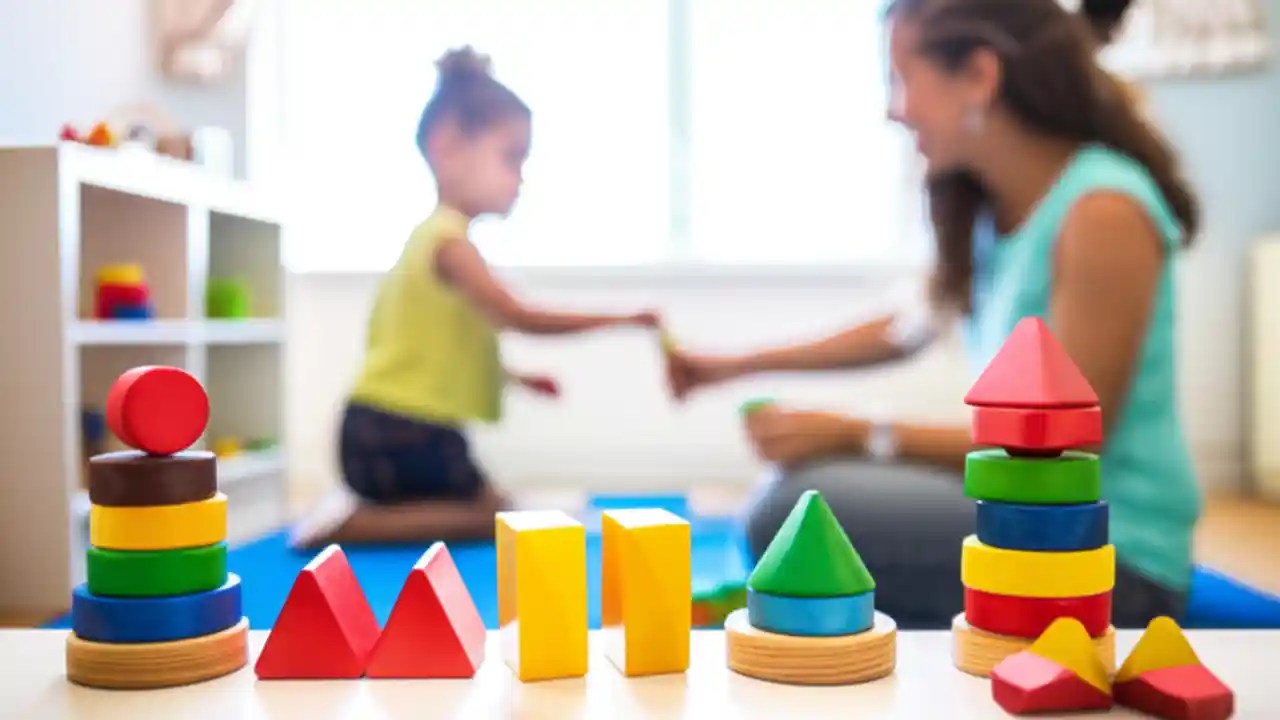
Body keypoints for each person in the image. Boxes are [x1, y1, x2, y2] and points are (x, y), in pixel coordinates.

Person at [667, 0, 1200, 630]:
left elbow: (1070, 440)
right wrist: (732, 366)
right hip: (1026, 518)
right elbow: (902, 328)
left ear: (978, 75)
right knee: (803, 495)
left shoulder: (1103, 211)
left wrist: (859, 434)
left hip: (1110, 554)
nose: (894, 109)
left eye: (902, 77)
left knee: (790, 512)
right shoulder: (991, 207)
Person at [292, 47, 658, 548]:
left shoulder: (428, 241)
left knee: (497, 506)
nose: (520, 178)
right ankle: (356, 524)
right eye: (511, 157)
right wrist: (623, 318)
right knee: (500, 516)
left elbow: (431, 351)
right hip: (398, 432)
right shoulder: (450, 244)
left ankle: (363, 511)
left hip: (379, 429)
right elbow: (516, 314)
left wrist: (517, 378)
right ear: (448, 147)